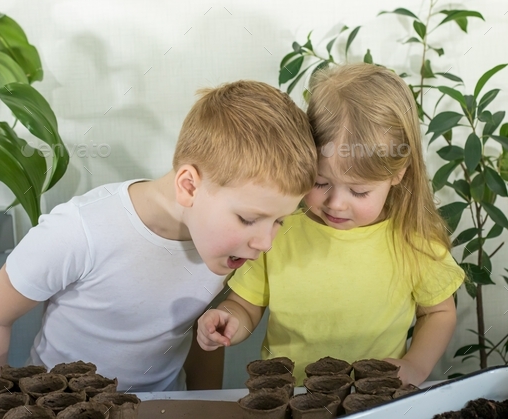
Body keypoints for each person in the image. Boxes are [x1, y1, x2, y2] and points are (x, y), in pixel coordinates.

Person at [0, 80, 317, 392]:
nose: (265, 243)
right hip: (60, 405)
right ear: (189, 186)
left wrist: (201, 404)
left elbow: (201, 335)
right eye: (249, 218)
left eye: (279, 222)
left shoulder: (225, 244)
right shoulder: (80, 229)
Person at [197, 64, 465, 387]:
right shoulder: (277, 232)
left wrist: (415, 366)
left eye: (359, 190)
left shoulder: (412, 238)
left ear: (398, 173)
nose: (336, 203)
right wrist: (229, 321)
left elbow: (438, 313)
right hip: (289, 400)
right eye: (321, 182)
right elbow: (245, 306)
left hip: (374, 401)